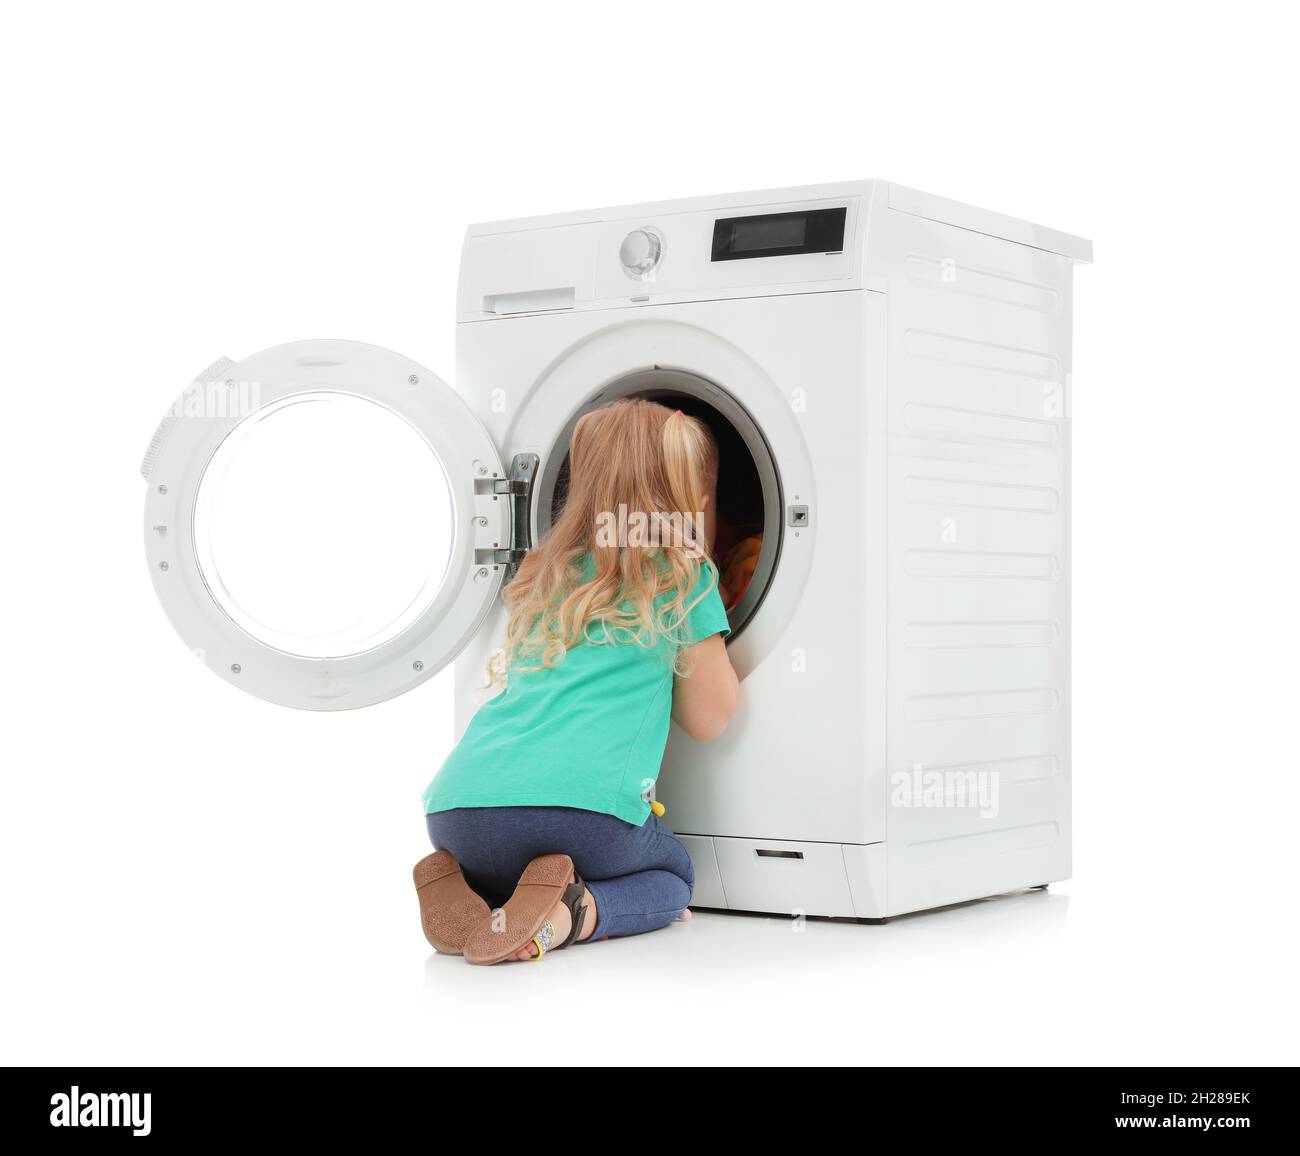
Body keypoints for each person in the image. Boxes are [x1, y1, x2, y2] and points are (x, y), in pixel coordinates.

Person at [413, 398, 740, 964]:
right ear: (694, 505)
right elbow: (710, 718)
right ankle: (572, 914)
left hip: (458, 812)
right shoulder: (684, 574)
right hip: (584, 817)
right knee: (674, 876)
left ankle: (475, 890)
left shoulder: (544, 575)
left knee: (517, 864)